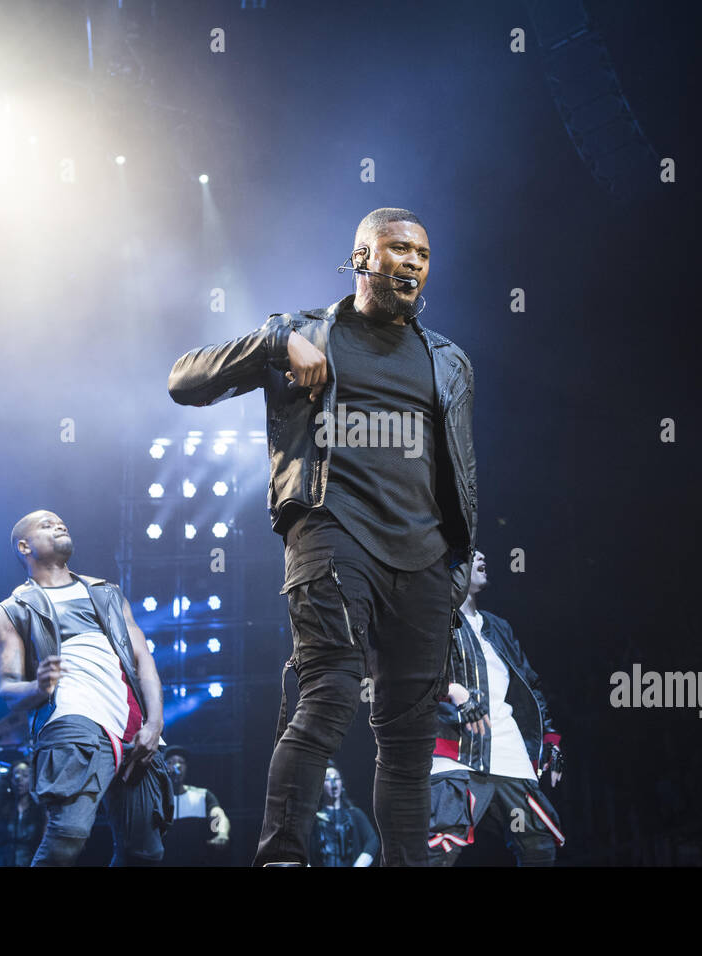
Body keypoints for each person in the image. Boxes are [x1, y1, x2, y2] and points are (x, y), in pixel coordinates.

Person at [169, 207, 477, 866]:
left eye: (424, 252)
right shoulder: (308, 334)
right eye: (399, 249)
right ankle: (283, 856)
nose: (416, 262)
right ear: (362, 258)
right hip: (332, 531)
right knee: (328, 693)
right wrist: (276, 342)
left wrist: (455, 568)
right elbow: (184, 379)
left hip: (424, 559)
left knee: (410, 740)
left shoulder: (449, 361)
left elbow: (463, 473)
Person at [0, 510, 174, 866]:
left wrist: (155, 723)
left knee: (145, 852)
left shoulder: (107, 594)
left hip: (132, 724)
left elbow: (143, 660)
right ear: (24, 546)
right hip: (72, 718)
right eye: (46, 524)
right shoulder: (11, 610)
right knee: (67, 836)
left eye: (61, 522)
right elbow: (8, 690)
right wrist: (39, 686)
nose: (59, 525)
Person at [429, 550, 566, 865]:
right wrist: (452, 690)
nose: (480, 554)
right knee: (440, 848)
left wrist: (550, 739)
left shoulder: (498, 627)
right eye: (469, 552)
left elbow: (530, 686)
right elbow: (408, 674)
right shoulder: (433, 621)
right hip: (458, 752)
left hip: (510, 755)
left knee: (538, 847)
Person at [160, 745, 231, 865]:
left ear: (186, 767)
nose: (177, 766)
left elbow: (217, 816)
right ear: (164, 767)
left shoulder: (202, 795)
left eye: (181, 762)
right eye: (171, 762)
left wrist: (221, 833)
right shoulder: (156, 799)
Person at [0, 761, 45, 867]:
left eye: (25, 775)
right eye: (15, 775)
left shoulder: (41, 810)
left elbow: (48, 849)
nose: (19, 778)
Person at [311, 762, 379, 867]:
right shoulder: (314, 818)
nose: (333, 782)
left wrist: (360, 864)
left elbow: (372, 840)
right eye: (328, 779)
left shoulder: (355, 814)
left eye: (336, 778)